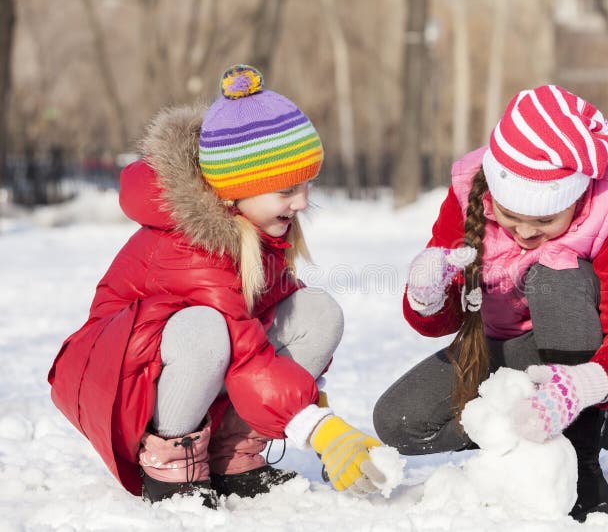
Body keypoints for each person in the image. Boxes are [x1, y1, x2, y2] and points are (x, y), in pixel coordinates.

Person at [49, 65, 386, 508]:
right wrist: (315, 424)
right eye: (286, 190)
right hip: (118, 383)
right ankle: (170, 461)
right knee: (208, 328)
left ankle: (233, 455)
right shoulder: (195, 246)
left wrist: (306, 390)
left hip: (180, 363)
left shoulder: (255, 229)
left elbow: (270, 313)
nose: (302, 202)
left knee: (315, 309)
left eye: (306, 186)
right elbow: (246, 353)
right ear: (232, 192)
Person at [373, 85, 608, 522]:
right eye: (511, 217)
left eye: (545, 221)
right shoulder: (469, 191)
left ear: (576, 198)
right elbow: (443, 323)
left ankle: (581, 453)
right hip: (507, 345)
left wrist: (586, 386)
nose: (525, 233)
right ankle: (526, 428)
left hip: (604, 348)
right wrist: (427, 295)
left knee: (552, 275)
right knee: (399, 421)